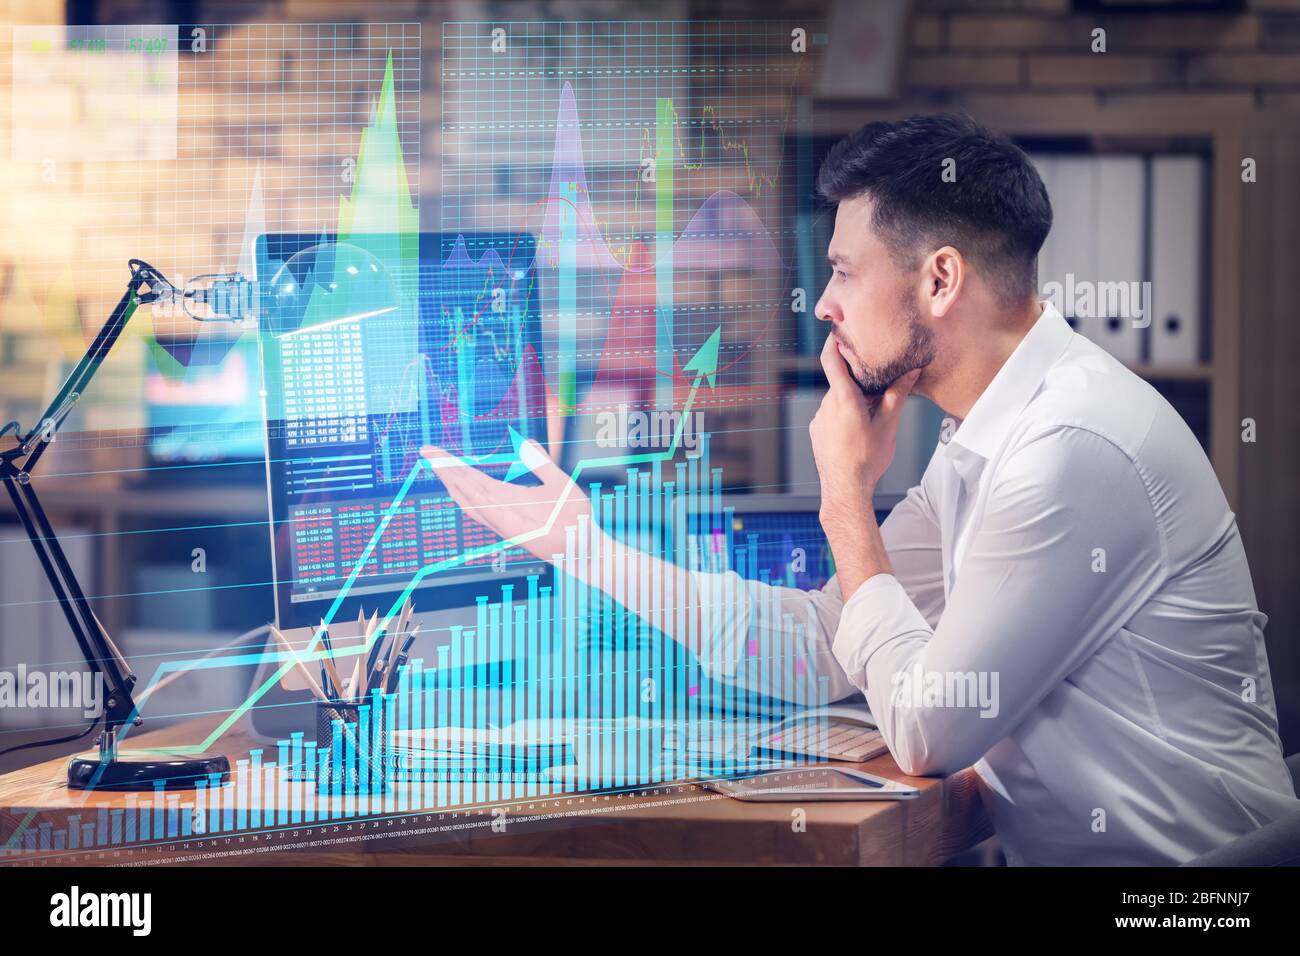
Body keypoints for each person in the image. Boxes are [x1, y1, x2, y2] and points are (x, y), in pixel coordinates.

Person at [422, 114, 1298, 865]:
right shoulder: (986, 442)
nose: (824, 305)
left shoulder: (1067, 449)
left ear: (941, 279)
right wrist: (586, 547)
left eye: (844, 270)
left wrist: (846, 491)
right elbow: (823, 641)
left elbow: (929, 730)